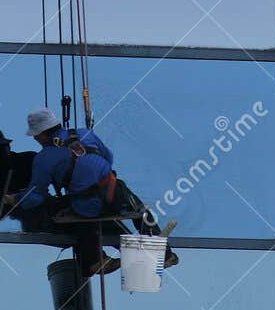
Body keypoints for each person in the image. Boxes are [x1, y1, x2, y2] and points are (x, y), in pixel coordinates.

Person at [15, 107, 177, 275]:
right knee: (141, 211)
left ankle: (94, 260)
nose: (35, 138)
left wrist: (15, 199)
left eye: (35, 135)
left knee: (75, 215)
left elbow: (35, 197)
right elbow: (108, 157)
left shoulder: (43, 158)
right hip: (115, 195)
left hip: (86, 206)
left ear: (41, 134)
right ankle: (165, 254)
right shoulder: (85, 134)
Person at [0, 128, 35, 224]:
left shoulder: (29, 159)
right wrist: (7, 203)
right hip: (20, 229)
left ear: (8, 146)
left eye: (0, 149)